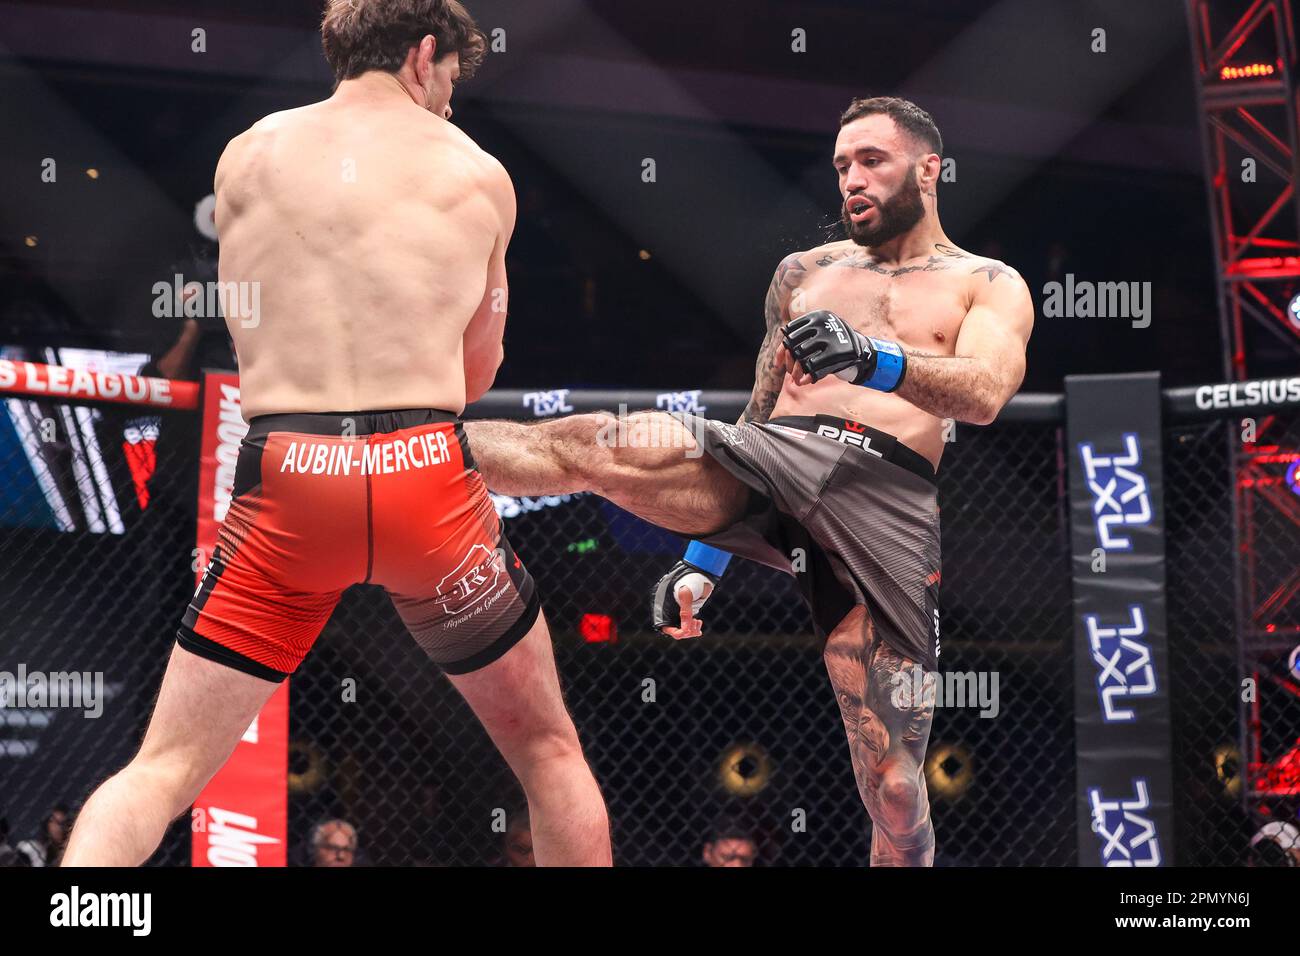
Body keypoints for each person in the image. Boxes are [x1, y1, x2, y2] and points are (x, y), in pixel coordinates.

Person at [64, 0, 610, 867]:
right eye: (451, 83)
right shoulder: (476, 172)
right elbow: (475, 375)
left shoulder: (247, 155)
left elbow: (251, 329)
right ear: (425, 55)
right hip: (423, 474)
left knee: (160, 770)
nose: (450, 105)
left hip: (289, 472)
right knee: (549, 756)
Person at [463, 96, 1034, 866]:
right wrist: (704, 558)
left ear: (929, 169)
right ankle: (389, 437)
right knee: (596, 443)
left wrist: (872, 358)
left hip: (886, 495)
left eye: (872, 161)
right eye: (841, 167)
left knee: (896, 784)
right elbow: (763, 412)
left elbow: (986, 392)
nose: (852, 180)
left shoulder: (987, 281)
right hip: (779, 455)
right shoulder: (804, 273)